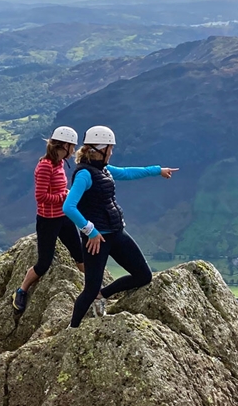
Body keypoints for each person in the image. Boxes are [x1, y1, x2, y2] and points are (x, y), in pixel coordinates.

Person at [62, 125, 178, 328]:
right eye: (110, 148)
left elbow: (127, 173)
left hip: (117, 233)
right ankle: (72, 329)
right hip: (96, 240)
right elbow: (69, 207)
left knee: (143, 276)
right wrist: (91, 231)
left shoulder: (103, 169)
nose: (112, 152)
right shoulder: (84, 175)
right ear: (100, 149)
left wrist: (158, 170)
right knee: (89, 289)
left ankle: (103, 294)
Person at [12, 126, 85, 313]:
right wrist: (64, 197)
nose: (74, 150)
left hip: (63, 217)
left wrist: (64, 196)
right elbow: (41, 197)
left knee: (79, 254)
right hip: (48, 220)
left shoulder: (59, 163)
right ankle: (21, 290)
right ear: (65, 145)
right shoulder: (45, 166)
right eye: (73, 146)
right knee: (44, 263)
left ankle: (94, 288)